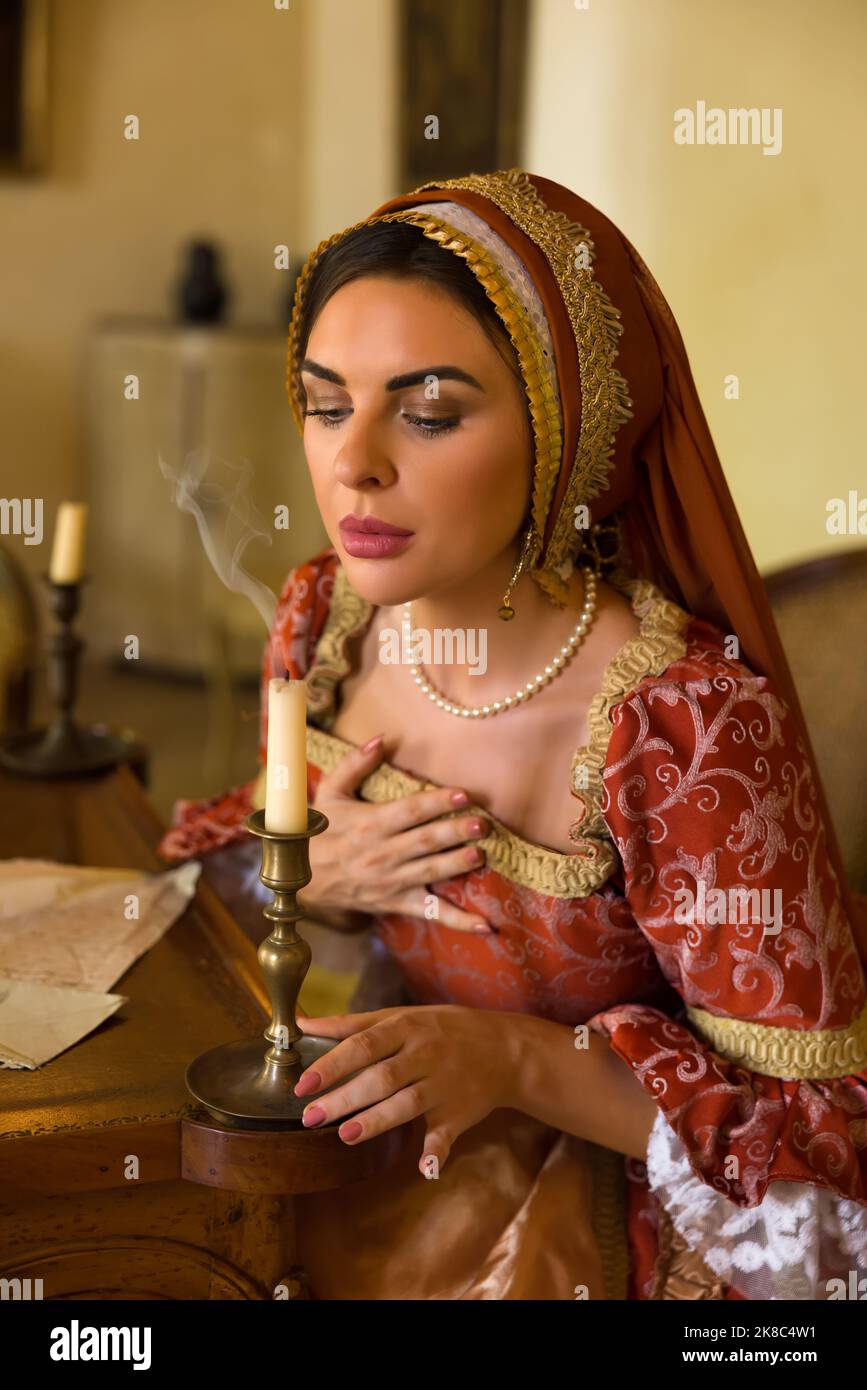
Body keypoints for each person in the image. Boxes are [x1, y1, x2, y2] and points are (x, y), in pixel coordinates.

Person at [158, 169, 867, 1300]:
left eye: (430, 412)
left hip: (608, 1200)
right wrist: (317, 883)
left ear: (563, 431)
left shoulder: (679, 720)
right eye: (327, 402)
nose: (355, 463)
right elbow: (259, 911)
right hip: (378, 1139)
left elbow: (816, 1148)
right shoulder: (320, 624)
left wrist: (517, 1057)